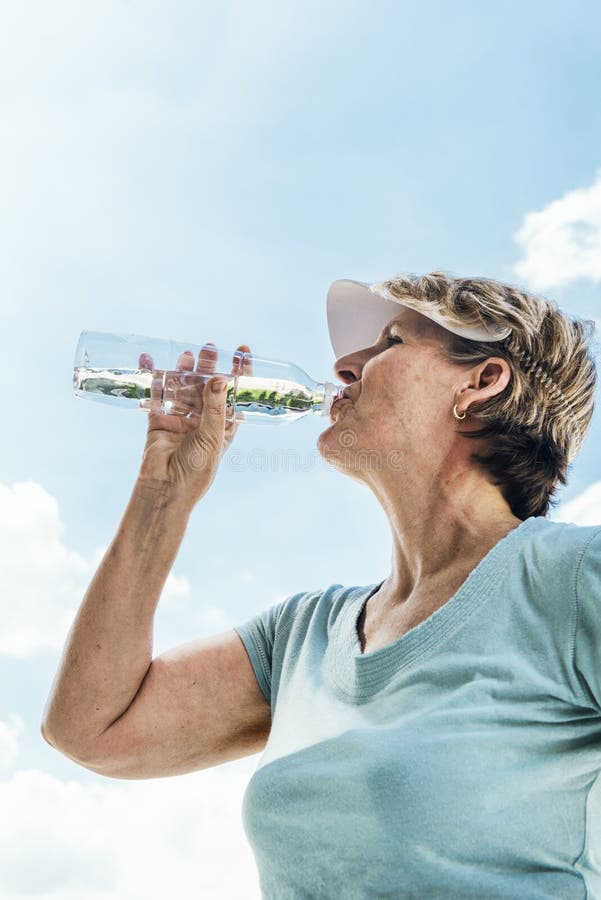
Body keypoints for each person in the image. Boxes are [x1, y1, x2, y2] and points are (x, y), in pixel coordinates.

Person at [41, 272, 601, 898]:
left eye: (390, 341)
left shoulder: (573, 578)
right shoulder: (305, 635)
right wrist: (163, 495)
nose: (343, 369)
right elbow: (91, 728)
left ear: (481, 381)